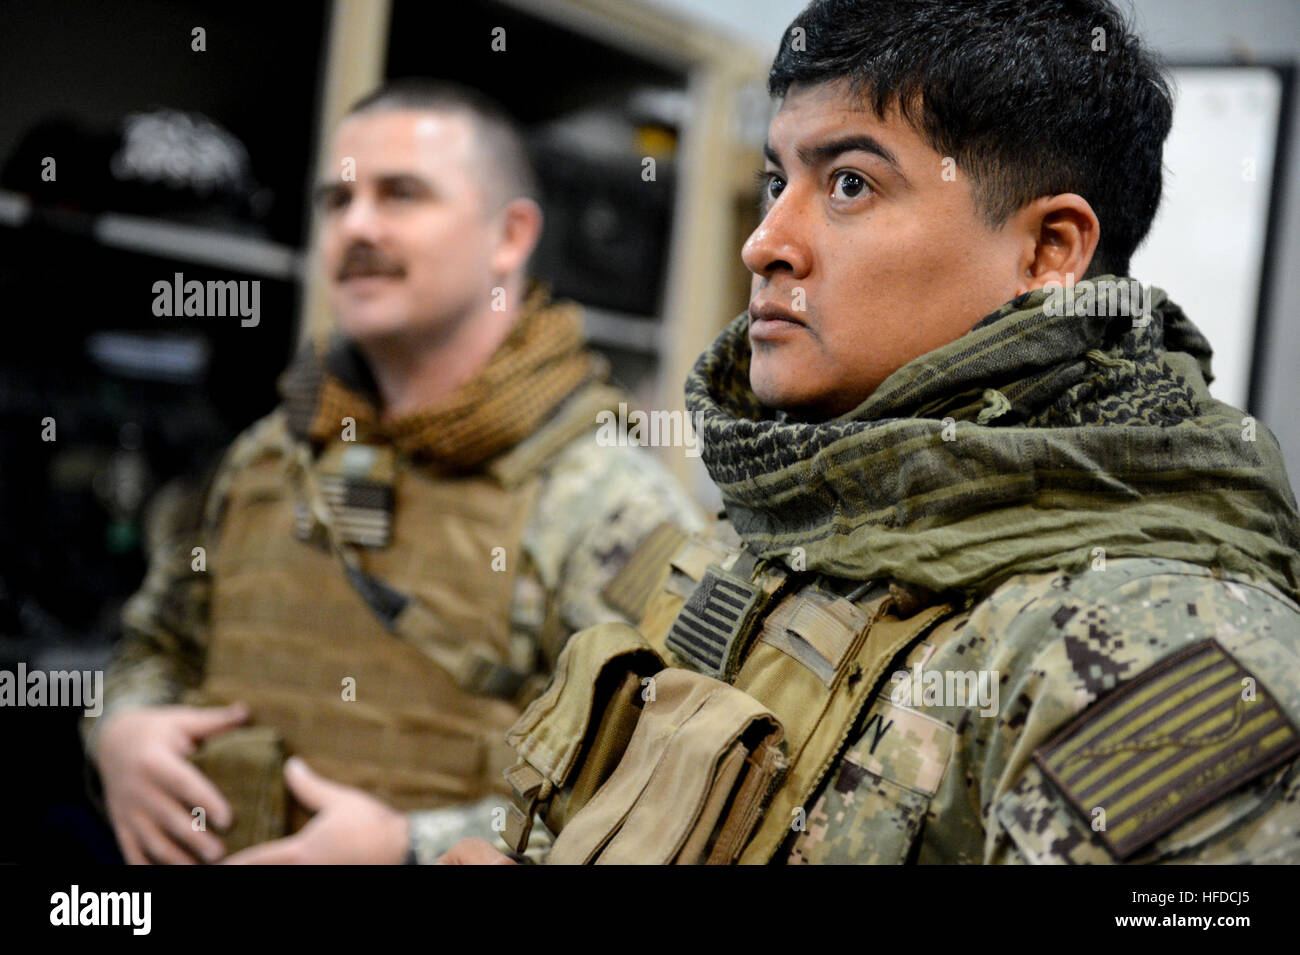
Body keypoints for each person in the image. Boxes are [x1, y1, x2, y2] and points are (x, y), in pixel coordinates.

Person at [444, 0, 1300, 865]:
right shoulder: (781, 525)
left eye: (850, 183)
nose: (764, 242)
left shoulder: (1159, 647)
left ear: (1047, 253)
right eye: (779, 181)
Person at [82, 80, 704, 865]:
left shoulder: (605, 501)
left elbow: (672, 802)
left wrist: (409, 846)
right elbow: (156, 644)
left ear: (509, 237)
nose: (358, 227)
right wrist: (123, 733)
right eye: (337, 200)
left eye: (401, 195)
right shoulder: (272, 454)